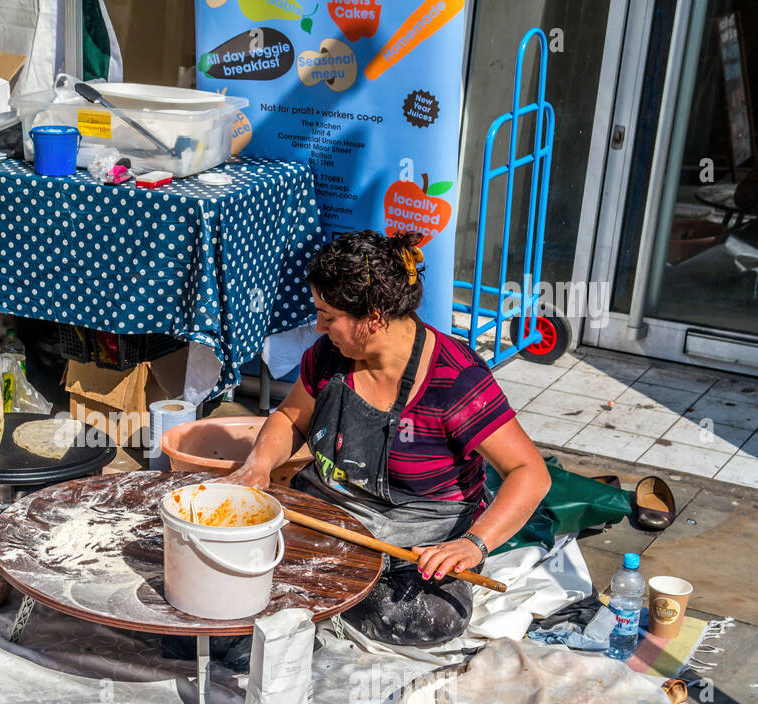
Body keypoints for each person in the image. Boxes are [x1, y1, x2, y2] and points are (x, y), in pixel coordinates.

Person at [229, 230, 551, 646]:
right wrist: (258, 465)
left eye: (329, 315)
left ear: (374, 318)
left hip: (416, 539)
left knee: (435, 618)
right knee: (233, 565)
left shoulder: (455, 379)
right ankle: (323, 592)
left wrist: (473, 545)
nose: (319, 326)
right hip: (331, 514)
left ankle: (319, 595)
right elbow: (292, 417)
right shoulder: (329, 355)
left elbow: (531, 472)